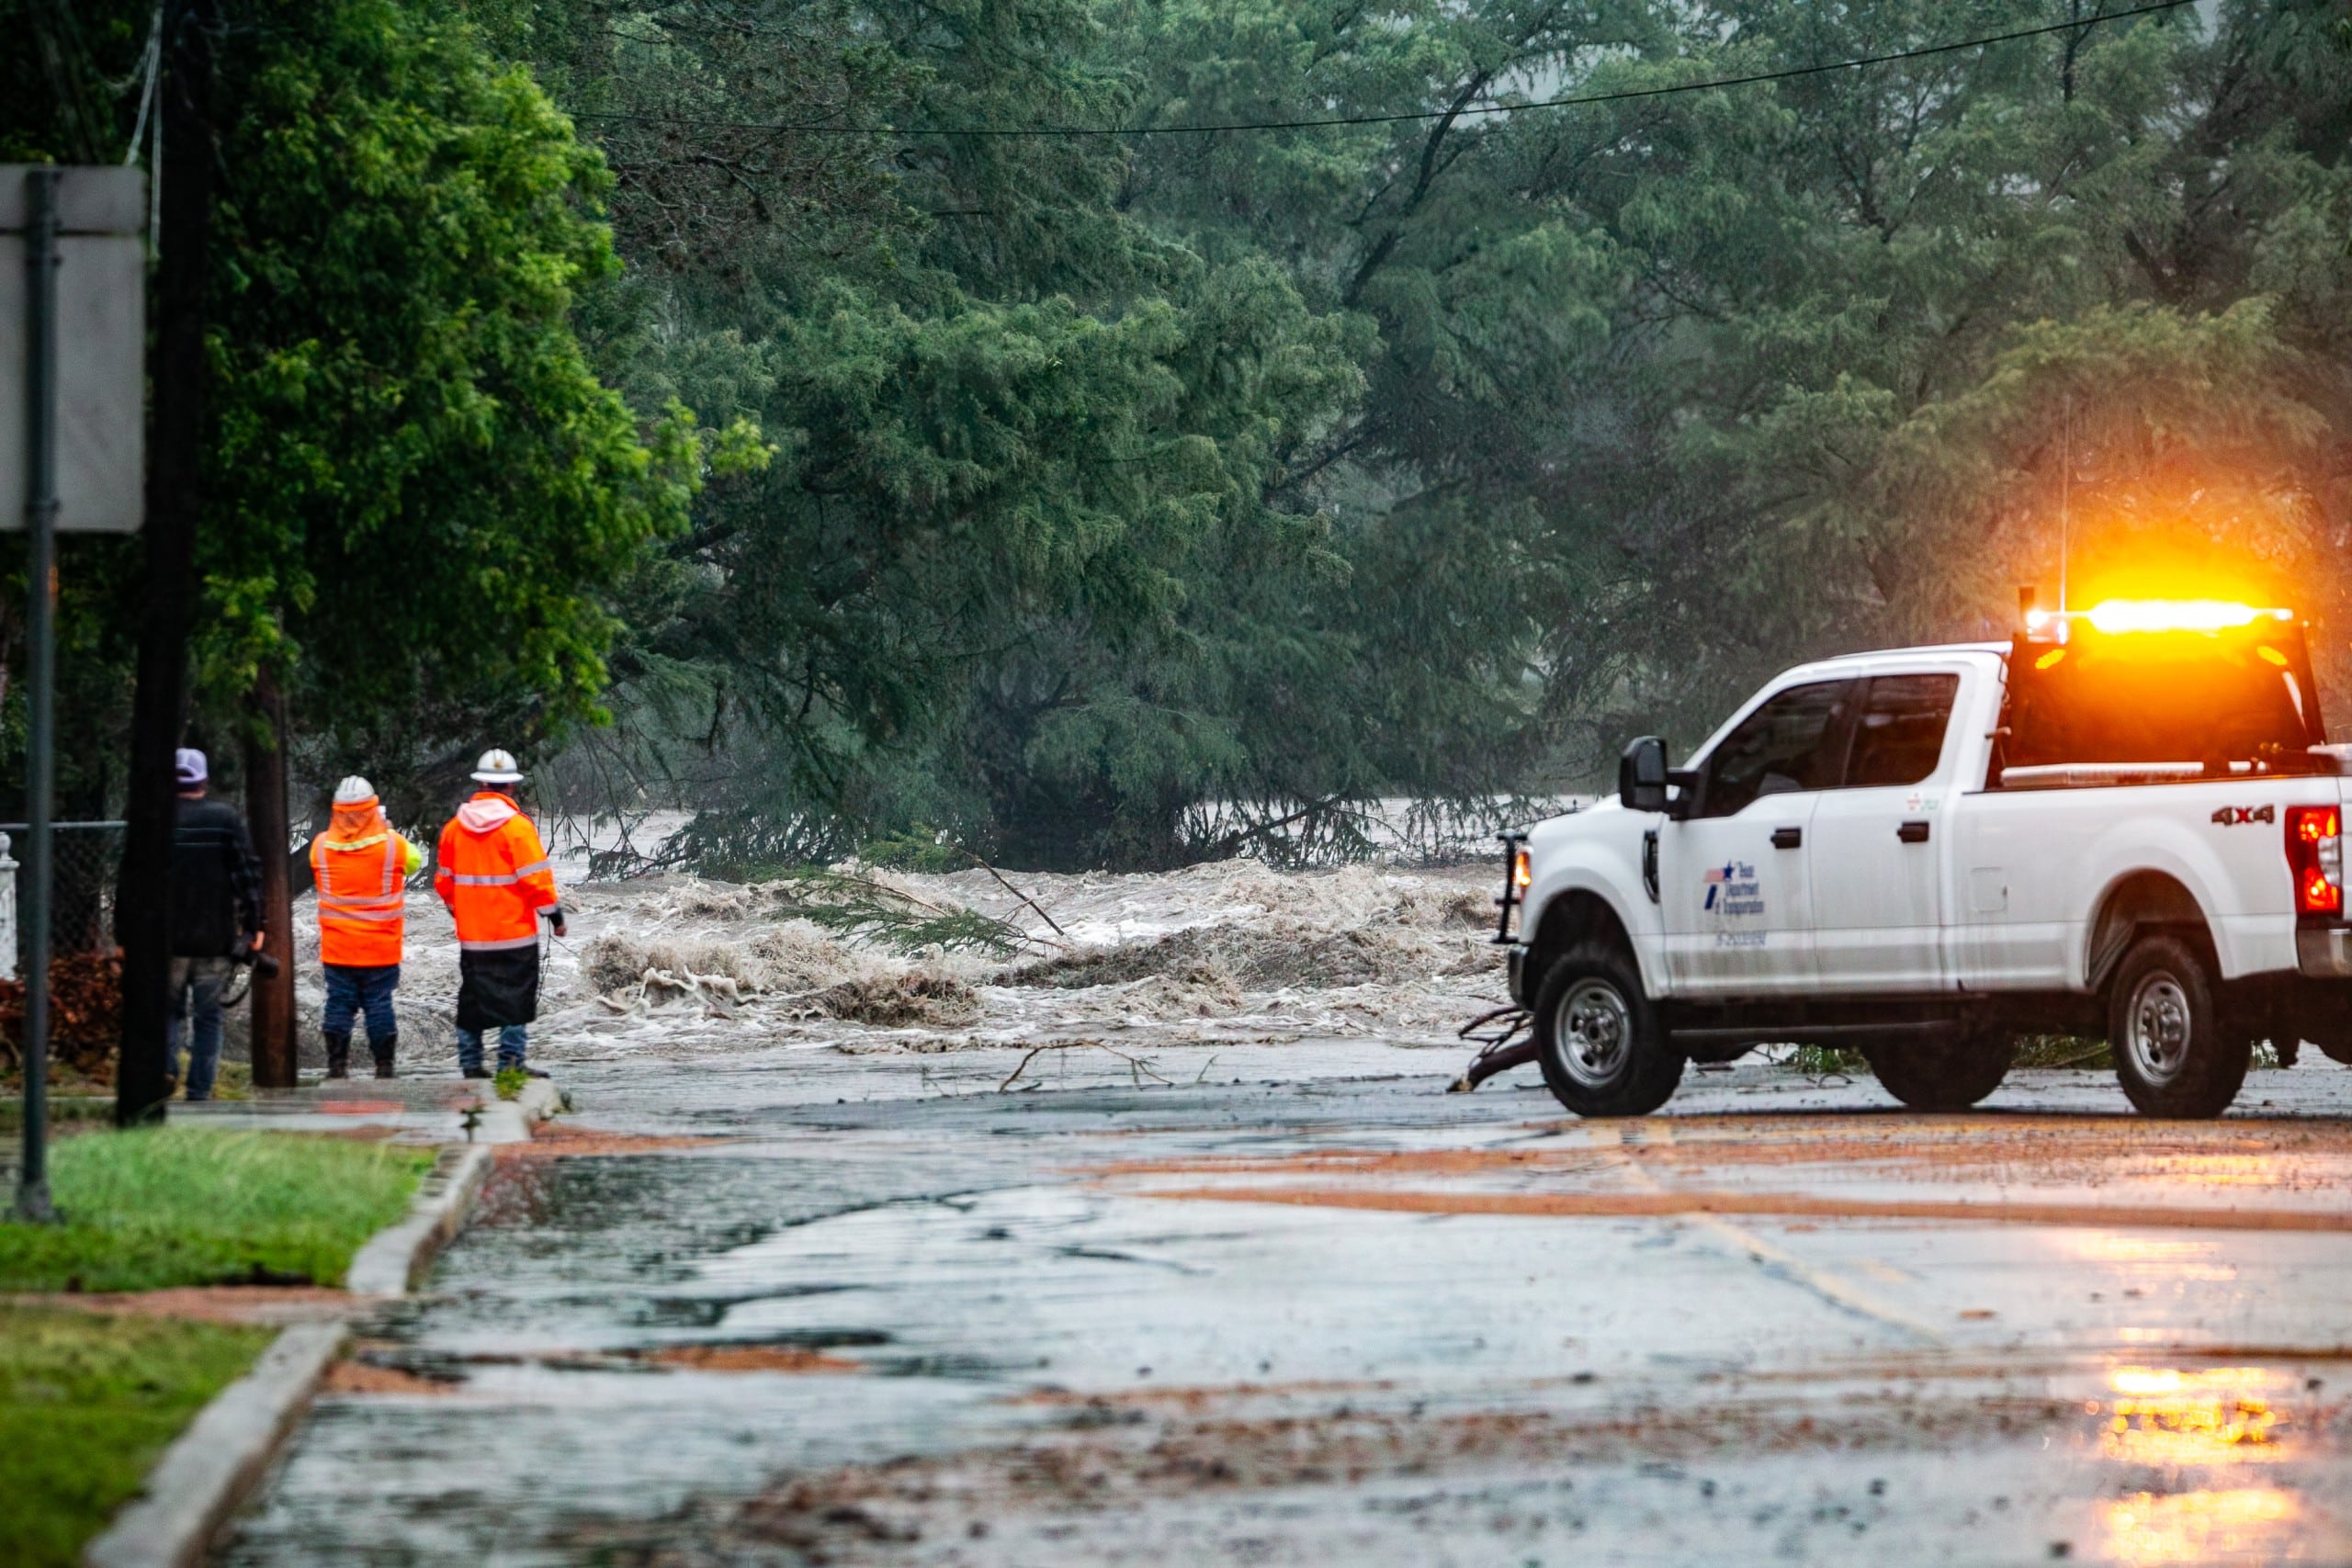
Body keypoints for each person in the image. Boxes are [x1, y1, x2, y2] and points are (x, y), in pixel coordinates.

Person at [435, 749, 565, 1079]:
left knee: (473, 1000)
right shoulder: (518, 828)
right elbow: (535, 881)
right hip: (515, 936)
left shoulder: (454, 828)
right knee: (515, 1002)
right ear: (511, 787)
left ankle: (471, 1064)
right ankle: (510, 1064)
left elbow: (445, 883)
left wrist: (460, 913)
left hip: (474, 937)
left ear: (480, 784)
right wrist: (555, 917)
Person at [311, 775, 424, 1079]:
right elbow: (416, 861)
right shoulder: (393, 846)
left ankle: (336, 1066)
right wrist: (386, 831)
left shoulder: (320, 846)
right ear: (373, 808)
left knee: (338, 1005)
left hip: (338, 950)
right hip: (381, 949)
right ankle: (384, 1066)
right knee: (379, 1006)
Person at [167, 747, 264, 1101]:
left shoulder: (154, 819)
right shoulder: (225, 820)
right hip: (215, 939)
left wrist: (127, 933)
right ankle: (199, 1091)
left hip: (165, 940)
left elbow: (133, 880)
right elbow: (248, 876)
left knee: (167, 1014)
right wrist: (256, 926)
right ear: (204, 781)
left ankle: (165, 1076)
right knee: (209, 1017)